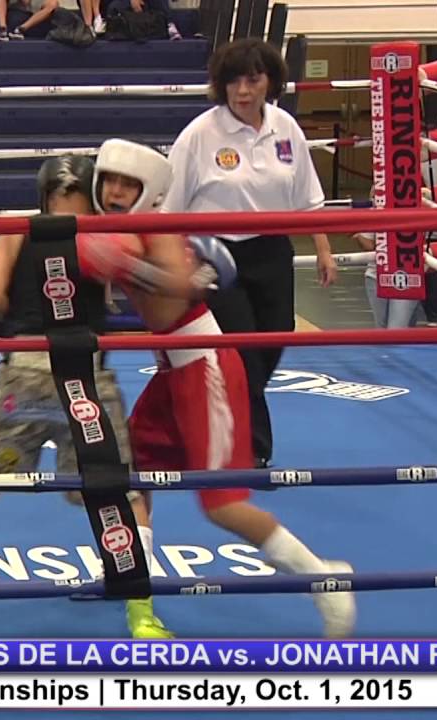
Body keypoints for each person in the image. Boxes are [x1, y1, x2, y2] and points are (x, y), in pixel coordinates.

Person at [94, 138, 356, 638]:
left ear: (147, 190)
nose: (116, 192)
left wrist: (123, 265)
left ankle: (323, 578)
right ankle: (132, 577)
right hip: (175, 367)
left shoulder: (156, 227)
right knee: (131, 475)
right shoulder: (119, 229)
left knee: (222, 504)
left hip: (206, 367)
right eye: (110, 181)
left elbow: (183, 284)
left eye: (128, 183)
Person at [0, 154, 183, 639]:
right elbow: (146, 286)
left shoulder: (16, 229)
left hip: (24, 373)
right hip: (84, 375)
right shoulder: (104, 232)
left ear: (42, 194)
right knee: (116, 488)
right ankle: (140, 607)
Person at [161, 38, 338, 469]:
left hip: (273, 249)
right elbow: (170, 206)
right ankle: (254, 447)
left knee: (275, 336)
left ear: (269, 81)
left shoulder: (286, 127)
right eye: (234, 80)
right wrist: (176, 261)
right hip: (216, 254)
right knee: (242, 350)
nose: (243, 90)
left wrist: (324, 250)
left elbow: (307, 197)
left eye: (253, 79)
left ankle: (229, 426)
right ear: (221, 85)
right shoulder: (200, 134)